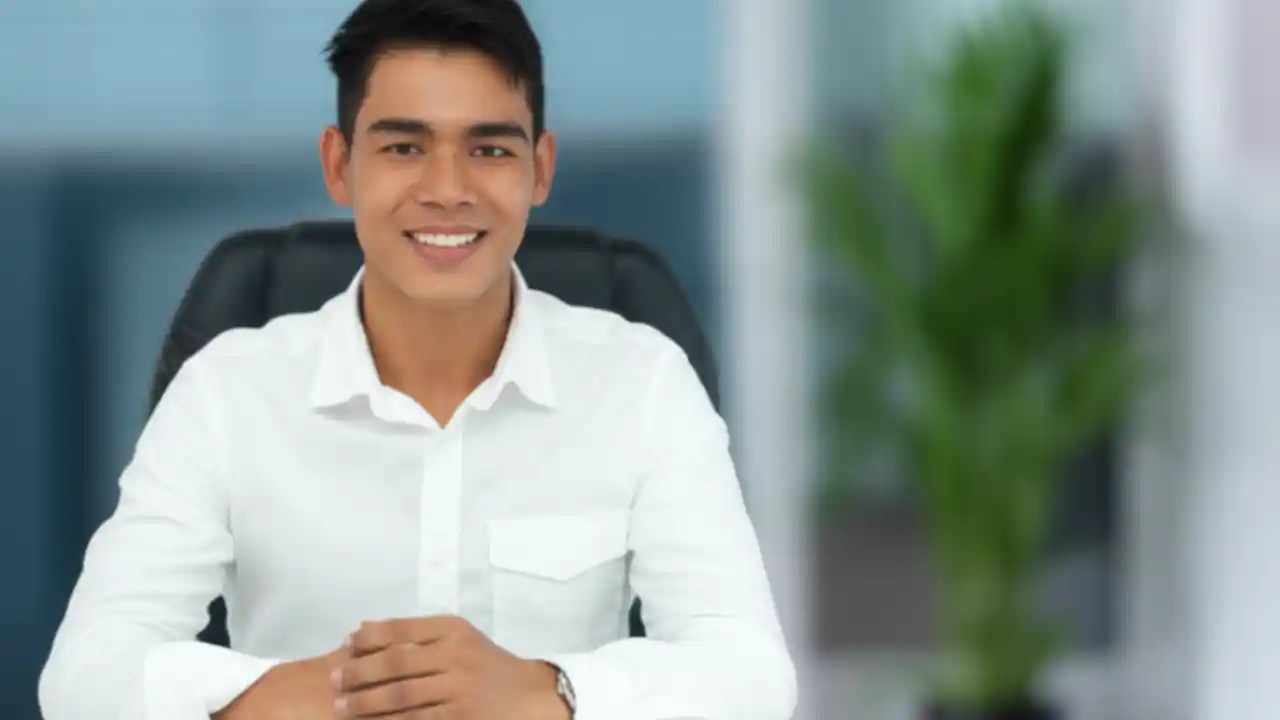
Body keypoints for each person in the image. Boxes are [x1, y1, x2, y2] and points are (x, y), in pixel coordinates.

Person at [38, 1, 796, 718]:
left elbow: (753, 676)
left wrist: (547, 692)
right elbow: (83, 678)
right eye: (404, 147)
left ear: (540, 169)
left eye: (490, 149)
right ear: (339, 165)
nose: (447, 190)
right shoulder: (225, 392)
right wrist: (303, 695)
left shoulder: (643, 383)